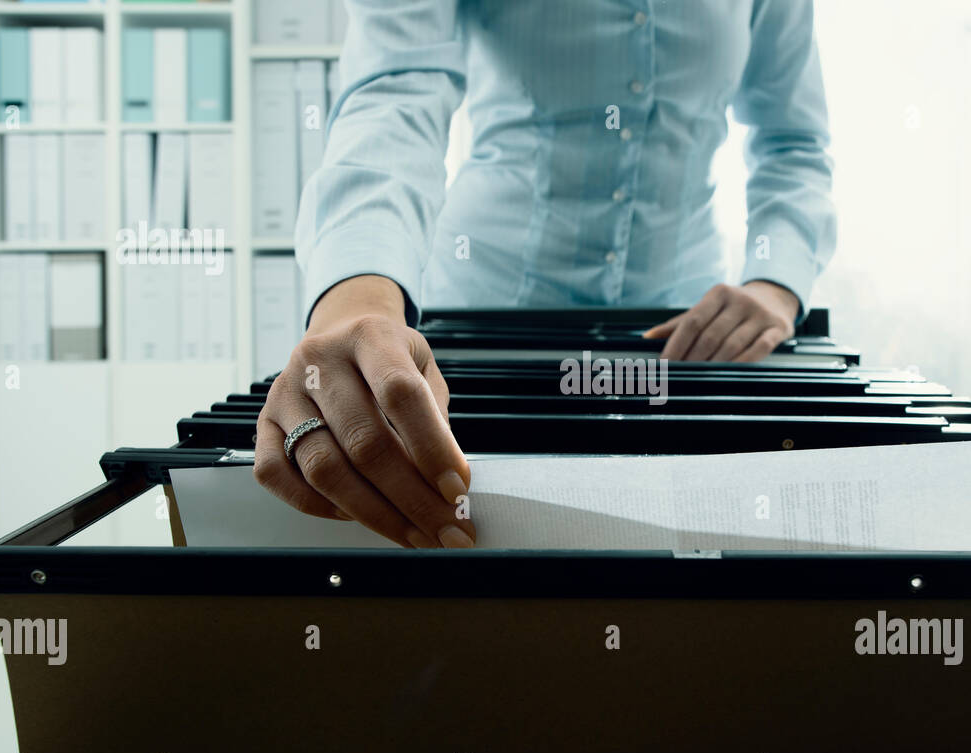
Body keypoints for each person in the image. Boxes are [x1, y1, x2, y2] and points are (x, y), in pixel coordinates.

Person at [254, 0, 836, 549]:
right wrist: (356, 300)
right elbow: (397, 93)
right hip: (481, 328)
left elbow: (793, 141)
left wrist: (776, 280)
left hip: (686, 342)